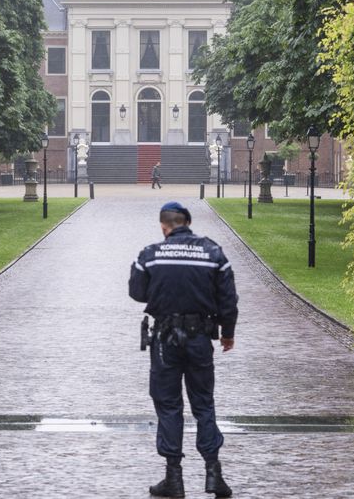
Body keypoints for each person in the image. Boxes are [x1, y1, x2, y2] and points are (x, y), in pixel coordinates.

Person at [129, 201, 238, 497]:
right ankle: (214, 474)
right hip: (200, 338)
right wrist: (227, 334)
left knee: (168, 405)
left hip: (165, 339)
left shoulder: (150, 255)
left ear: (164, 227)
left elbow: (137, 293)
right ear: (188, 222)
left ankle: (173, 478)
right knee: (203, 402)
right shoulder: (213, 252)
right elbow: (228, 299)